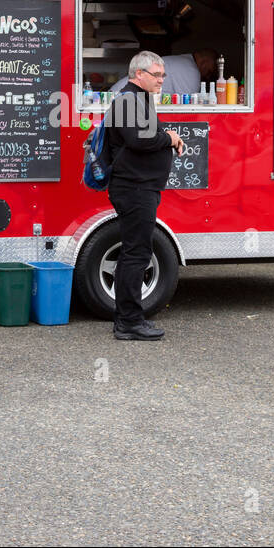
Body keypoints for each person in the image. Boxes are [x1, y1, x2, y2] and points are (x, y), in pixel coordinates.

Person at [106, 51, 185, 340]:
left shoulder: (138, 100)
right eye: (157, 75)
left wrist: (167, 135)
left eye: (163, 75)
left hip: (141, 187)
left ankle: (128, 319)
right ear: (139, 74)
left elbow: (146, 133)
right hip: (134, 188)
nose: (162, 80)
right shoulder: (128, 100)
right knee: (136, 253)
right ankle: (129, 322)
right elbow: (139, 138)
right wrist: (170, 138)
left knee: (136, 251)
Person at [108, 48, 217, 97]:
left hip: (122, 97)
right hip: (124, 100)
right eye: (210, 70)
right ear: (204, 62)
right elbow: (189, 107)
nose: (208, 75)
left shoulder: (184, 63)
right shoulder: (191, 71)